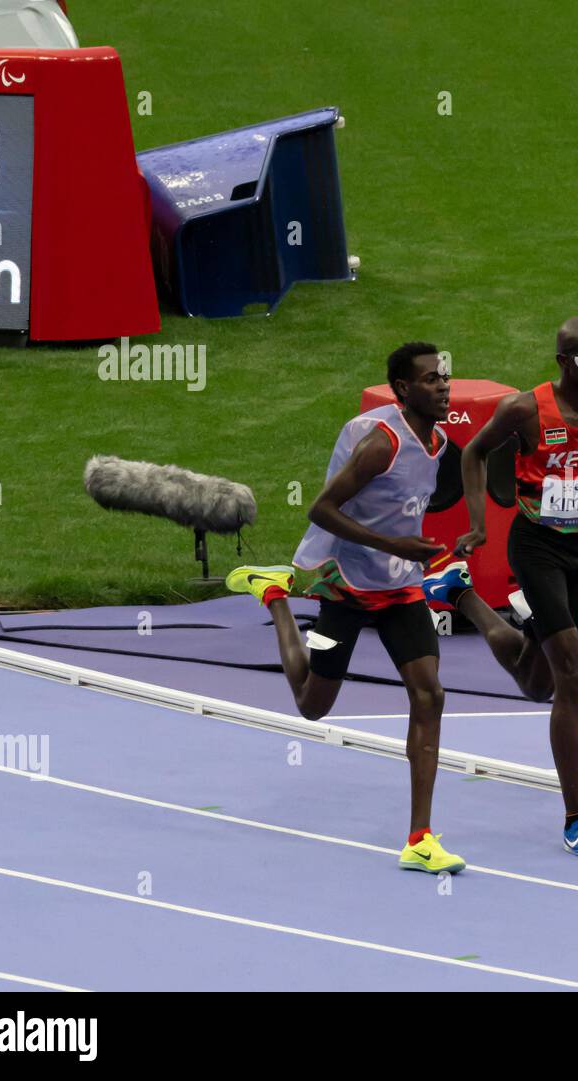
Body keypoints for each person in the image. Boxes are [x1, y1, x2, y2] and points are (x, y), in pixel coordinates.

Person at [225, 342, 465, 875]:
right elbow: (322, 509)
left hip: (400, 589)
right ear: (404, 389)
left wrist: (427, 547)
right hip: (344, 587)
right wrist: (395, 545)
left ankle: (420, 837)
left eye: (444, 378)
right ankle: (275, 598)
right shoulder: (381, 445)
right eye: (430, 380)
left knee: (430, 695)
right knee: (313, 705)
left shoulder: (440, 440)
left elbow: (410, 508)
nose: (443, 386)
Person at [422, 317, 578, 857]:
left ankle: (461, 595)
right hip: (535, 546)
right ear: (565, 362)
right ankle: (577, 818)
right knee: (572, 670)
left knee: (538, 682)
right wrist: (476, 524)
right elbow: (473, 453)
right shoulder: (525, 410)